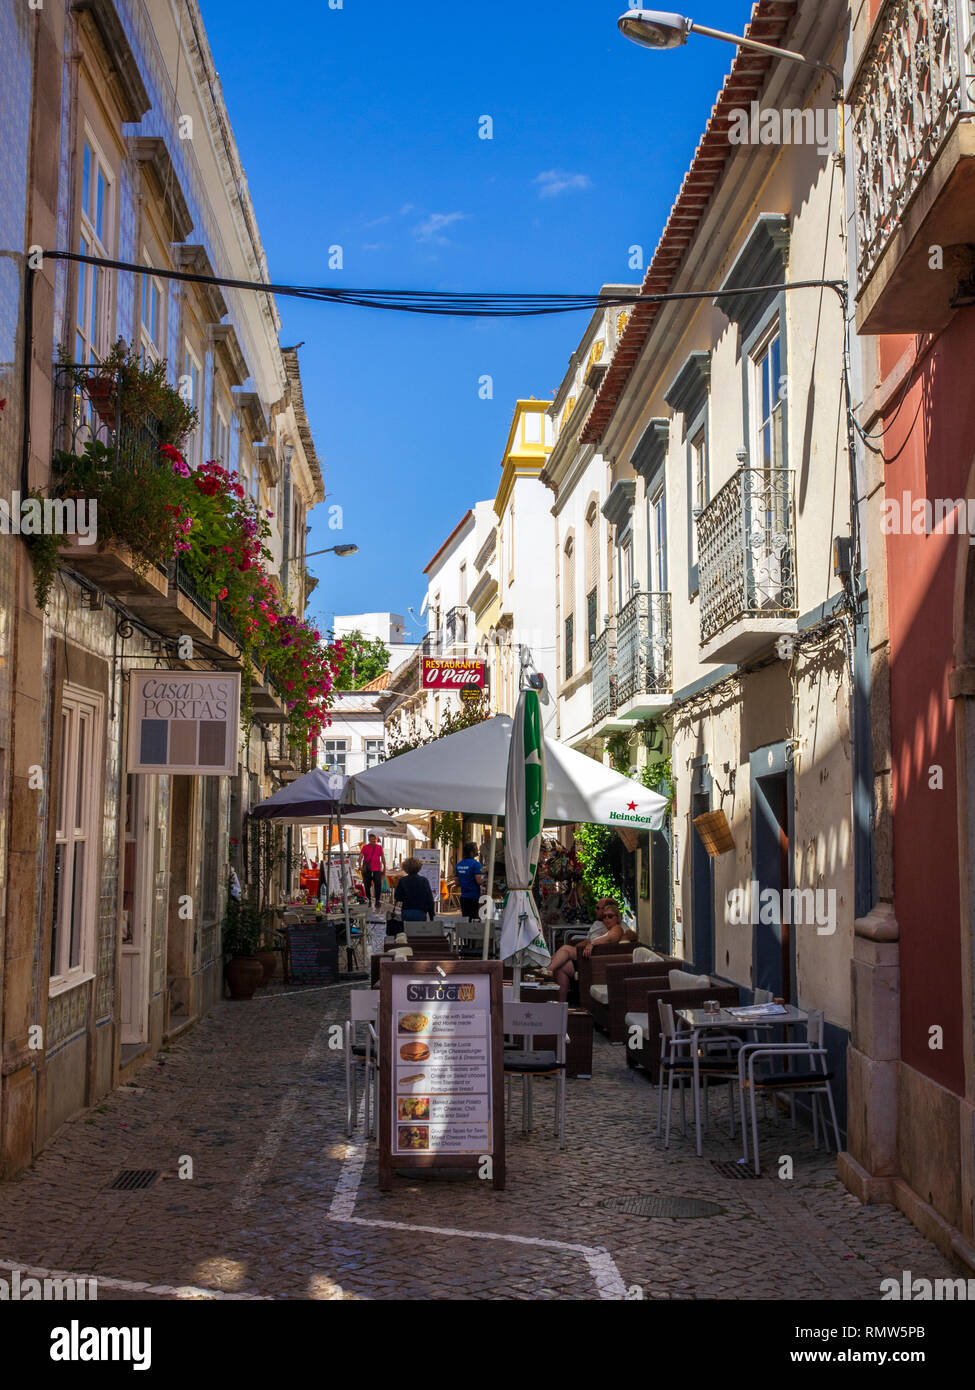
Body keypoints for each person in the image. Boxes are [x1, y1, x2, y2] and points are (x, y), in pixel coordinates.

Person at [547, 901, 624, 1002]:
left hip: (597, 962)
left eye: (610, 916)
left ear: (617, 918)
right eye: (604, 916)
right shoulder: (606, 930)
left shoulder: (617, 928)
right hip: (591, 958)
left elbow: (610, 938)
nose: (606, 919)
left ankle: (547, 970)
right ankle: (561, 1005)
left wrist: (592, 944)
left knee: (565, 949)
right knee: (562, 968)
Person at [394, 857, 436, 922]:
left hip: (406, 912)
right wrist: (431, 916)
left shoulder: (402, 880)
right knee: (419, 931)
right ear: (419, 868)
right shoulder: (424, 880)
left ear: (405, 868)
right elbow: (429, 899)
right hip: (420, 913)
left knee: (407, 931)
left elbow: (397, 897)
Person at [455, 841, 484, 922]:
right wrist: (485, 877)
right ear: (471, 852)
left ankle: (465, 934)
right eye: (476, 849)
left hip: (463, 897)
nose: (477, 851)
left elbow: (456, 883)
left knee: (466, 920)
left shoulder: (459, 865)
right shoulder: (476, 864)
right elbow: (479, 881)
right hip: (474, 897)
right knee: (474, 920)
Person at [359, 833, 386, 909]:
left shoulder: (379, 847)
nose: (373, 841)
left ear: (376, 839)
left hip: (377, 869)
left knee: (378, 885)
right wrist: (360, 865)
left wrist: (384, 867)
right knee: (367, 885)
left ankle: (377, 901)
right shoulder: (365, 847)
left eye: (374, 839)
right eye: (371, 839)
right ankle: (369, 900)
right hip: (367, 869)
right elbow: (360, 857)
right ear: (369, 840)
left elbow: (382, 857)